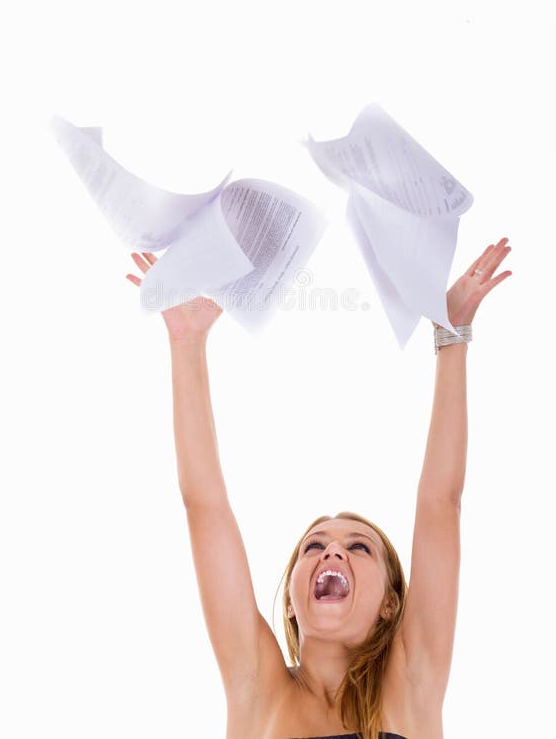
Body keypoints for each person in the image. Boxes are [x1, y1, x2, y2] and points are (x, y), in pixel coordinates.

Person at [126, 237, 512, 739]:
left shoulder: (413, 683)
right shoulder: (257, 689)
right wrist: (186, 340)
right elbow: (205, 504)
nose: (332, 552)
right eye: (314, 547)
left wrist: (452, 336)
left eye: (358, 547)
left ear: (392, 603)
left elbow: (441, 503)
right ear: (290, 600)